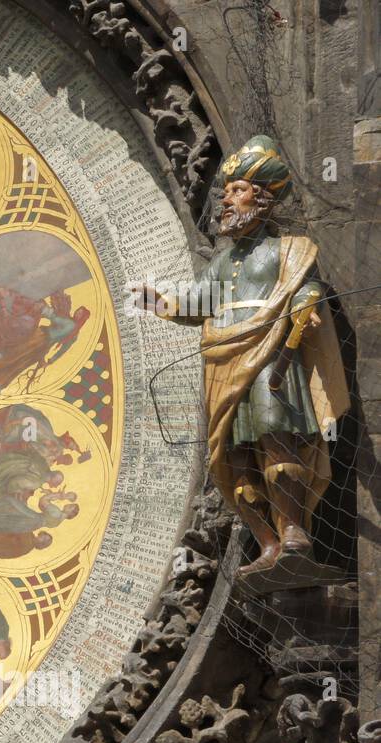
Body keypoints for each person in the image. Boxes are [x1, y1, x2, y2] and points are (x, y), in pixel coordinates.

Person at [142, 136, 349, 576]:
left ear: (263, 198)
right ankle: (268, 543)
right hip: (224, 360)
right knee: (232, 454)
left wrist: (306, 304)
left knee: (278, 434)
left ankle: (294, 531)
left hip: (272, 350)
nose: (226, 201)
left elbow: (305, 285)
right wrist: (160, 302)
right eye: (227, 192)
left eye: (236, 191)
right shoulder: (222, 262)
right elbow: (197, 302)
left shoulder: (288, 249)